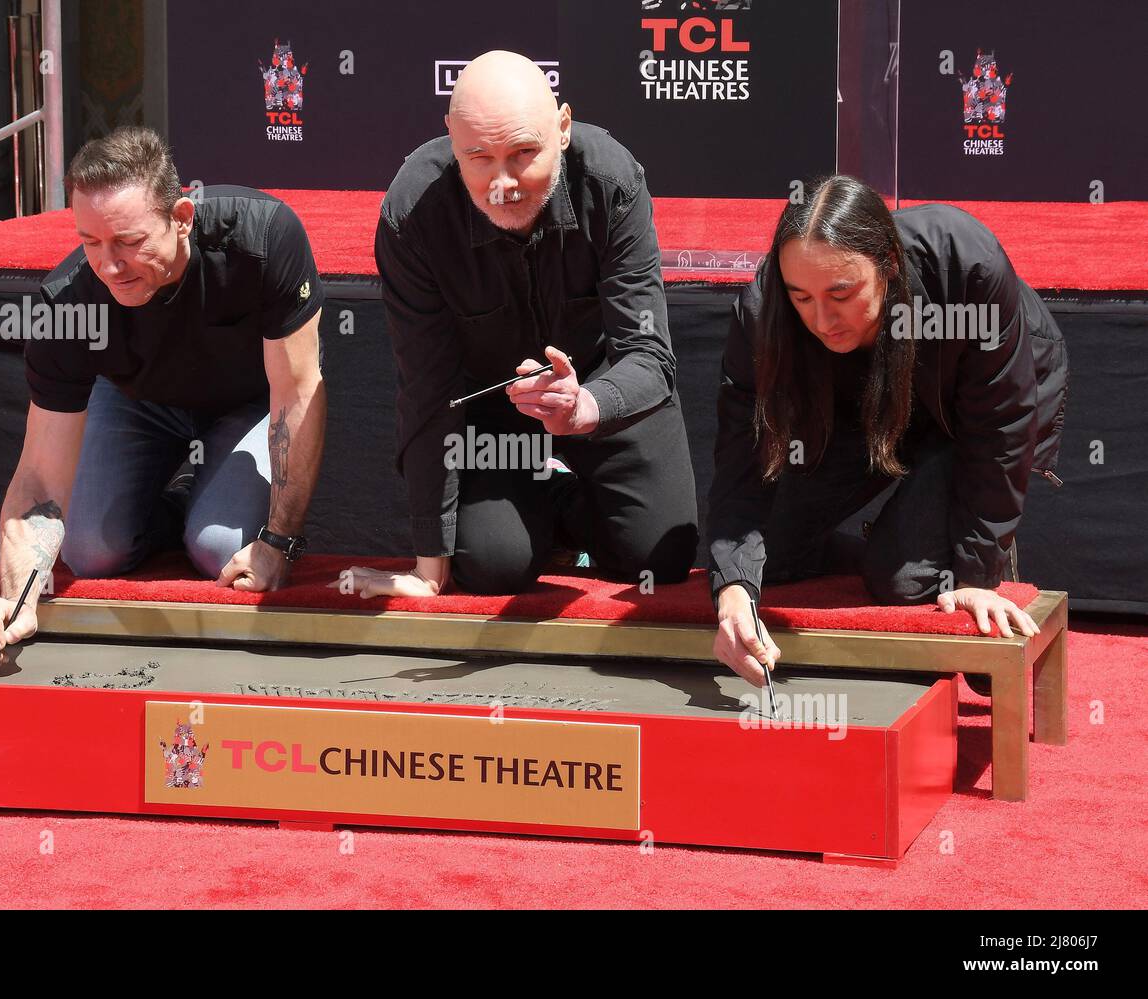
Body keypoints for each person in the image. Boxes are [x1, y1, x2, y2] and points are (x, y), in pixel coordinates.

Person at [338, 50, 699, 598]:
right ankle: (545, 495)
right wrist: (428, 568)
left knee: (659, 558)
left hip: (602, 388)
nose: (502, 182)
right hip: (493, 407)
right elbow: (428, 387)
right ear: (451, 138)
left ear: (563, 128)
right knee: (493, 567)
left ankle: (570, 492)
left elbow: (650, 355)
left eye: (524, 153)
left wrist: (584, 405)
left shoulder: (612, 180)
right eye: (477, 157)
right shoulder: (413, 214)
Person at [0, 126, 326, 661]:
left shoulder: (262, 237)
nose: (109, 266)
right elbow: (40, 477)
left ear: (182, 218)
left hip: (254, 400)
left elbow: (298, 394)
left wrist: (279, 541)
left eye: (130, 242)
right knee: (90, 550)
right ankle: (175, 505)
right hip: (138, 402)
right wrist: (15, 597)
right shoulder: (67, 304)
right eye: (90, 242)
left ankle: (201, 513)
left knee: (221, 550)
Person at [707, 175, 1068, 687]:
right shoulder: (764, 310)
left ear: (888, 265)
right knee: (768, 556)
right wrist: (733, 591)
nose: (822, 319)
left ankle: (940, 549)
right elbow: (742, 453)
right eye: (801, 298)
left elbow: (999, 428)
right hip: (865, 403)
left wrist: (976, 577)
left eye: (841, 292)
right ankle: (901, 541)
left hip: (971, 411)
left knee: (906, 581)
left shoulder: (965, 262)